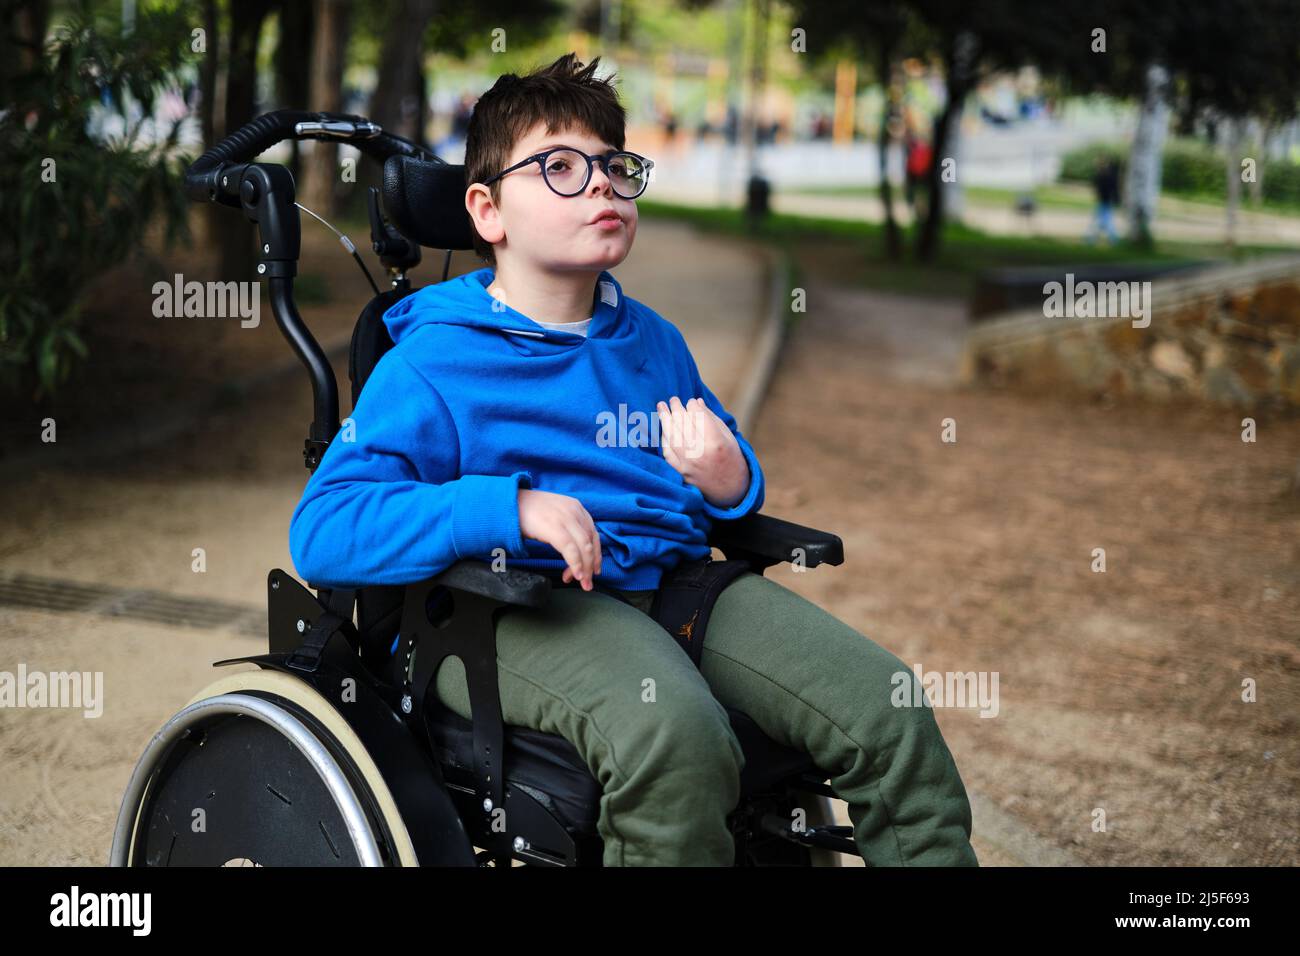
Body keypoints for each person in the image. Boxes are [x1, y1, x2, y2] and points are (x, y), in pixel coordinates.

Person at [288, 52, 979, 867]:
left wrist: (730, 478)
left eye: (615, 166)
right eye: (560, 167)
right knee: (677, 738)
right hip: (503, 609)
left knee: (884, 709)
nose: (602, 186)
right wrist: (502, 508)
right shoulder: (434, 362)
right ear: (487, 210)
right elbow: (323, 528)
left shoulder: (651, 340)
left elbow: (724, 472)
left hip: (673, 587)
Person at [1089, 156, 1121, 244]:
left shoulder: (1103, 175)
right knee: (1104, 220)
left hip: (1104, 200)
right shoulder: (1107, 175)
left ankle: (1093, 239)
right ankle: (1111, 239)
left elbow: (1098, 188)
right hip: (1106, 200)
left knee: (1102, 221)